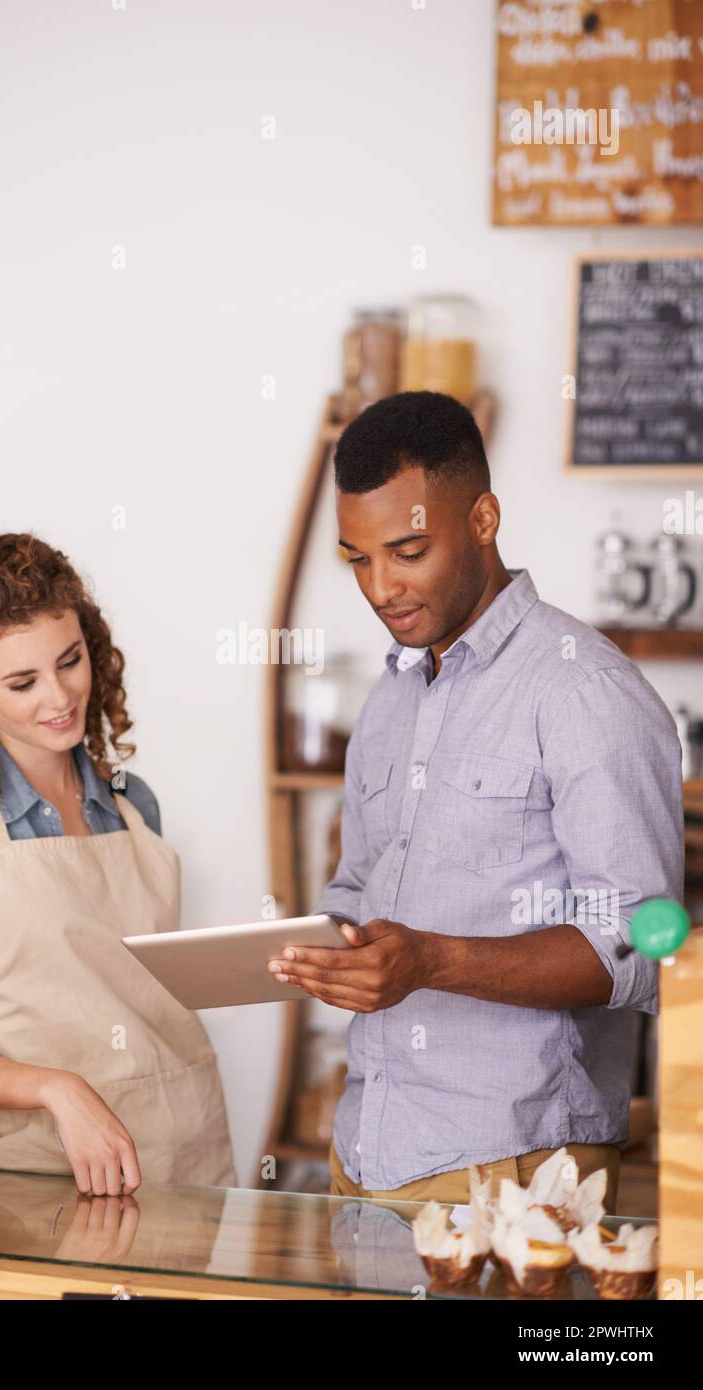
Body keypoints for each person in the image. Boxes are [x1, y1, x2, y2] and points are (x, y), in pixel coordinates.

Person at [267, 391, 684, 1212]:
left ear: (483, 518)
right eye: (356, 559)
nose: (381, 587)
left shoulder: (584, 690)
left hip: (520, 1168)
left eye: (408, 550)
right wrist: (322, 952)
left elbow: (648, 945)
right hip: (367, 1151)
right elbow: (359, 890)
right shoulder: (391, 697)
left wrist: (432, 960)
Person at [0, 532, 236, 1196]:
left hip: (186, 1148)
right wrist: (56, 1088)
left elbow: (141, 996)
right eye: (22, 682)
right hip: (44, 1174)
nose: (59, 697)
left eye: (70, 661)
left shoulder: (134, 805)